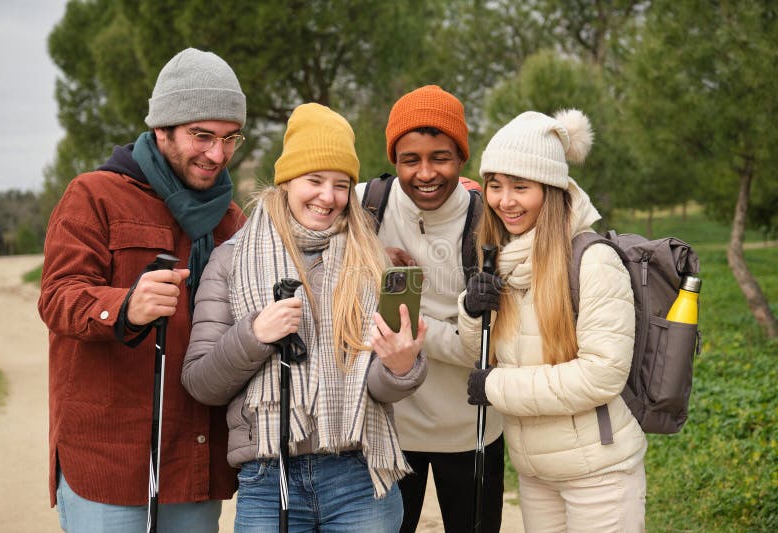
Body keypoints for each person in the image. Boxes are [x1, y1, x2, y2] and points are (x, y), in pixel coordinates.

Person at [182, 102, 428, 532]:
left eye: (340, 185)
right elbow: (201, 383)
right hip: (266, 478)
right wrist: (256, 334)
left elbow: (380, 387)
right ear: (287, 181)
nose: (327, 197)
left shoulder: (372, 262)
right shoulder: (231, 261)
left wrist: (401, 366)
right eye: (314, 180)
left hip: (359, 476)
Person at [38, 48, 247, 532]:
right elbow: (57, 297)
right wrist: (124, 305)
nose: (217, 154)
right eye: (202, 136)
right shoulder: (93, 196)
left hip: (195, 457)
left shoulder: (232, 220)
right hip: (108, 463)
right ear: (162, 129)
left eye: (229, 138)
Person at [459, 109, 648, 532]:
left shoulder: (593, 261)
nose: (505, 201)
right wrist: (473, 313)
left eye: (520, 187)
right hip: (535, 472)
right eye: (495, 186)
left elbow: (601, 375)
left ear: (551, 189)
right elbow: (485, 355)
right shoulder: (502, 259)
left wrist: (497, 387)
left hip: (599, 474)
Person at [356, 85, 505, 532]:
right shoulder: (364, 206)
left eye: (440, 157)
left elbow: (491, 345)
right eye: (410, 159)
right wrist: (372, 267)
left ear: (461, 158)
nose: (425, 173)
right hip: (388, 427)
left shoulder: (491, 220)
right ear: (393, 159)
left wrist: (411, 331)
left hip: (473, 427)